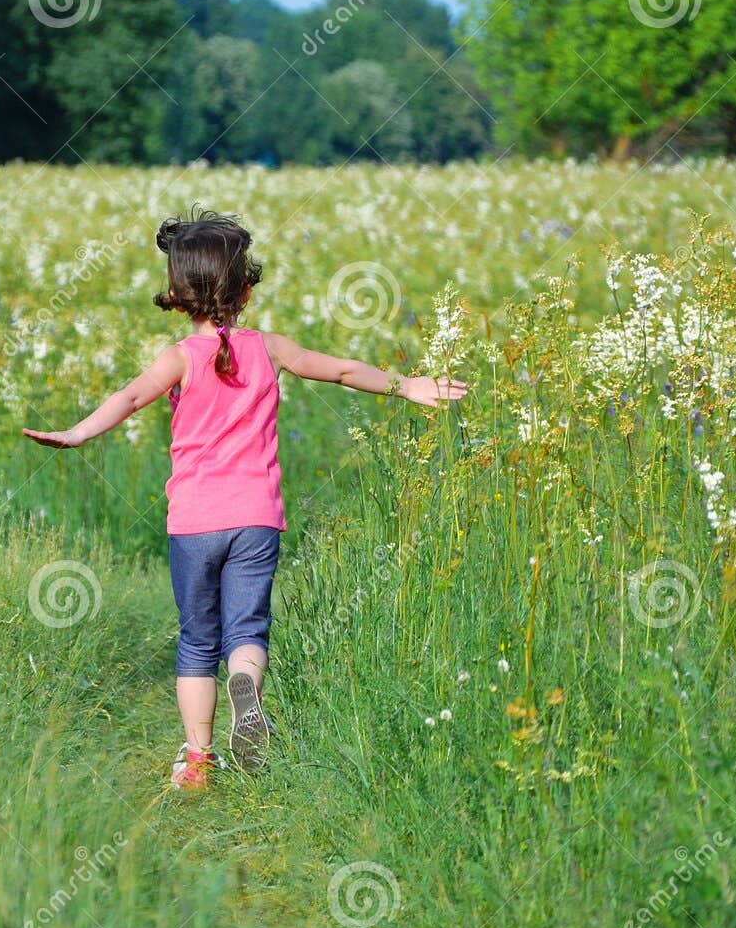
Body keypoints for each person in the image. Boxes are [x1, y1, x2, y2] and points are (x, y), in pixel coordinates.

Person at [23, 211, 466, 789]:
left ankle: (198, 759)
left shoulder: (179, 356)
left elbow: (130, 397)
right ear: (247, 288)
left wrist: (78, 433)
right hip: (257, 517)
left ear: (179, 297)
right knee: (247, 630)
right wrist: (407, 386)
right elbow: (338, 370)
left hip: (195, 522)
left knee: (195, 637)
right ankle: (247, 690)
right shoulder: (272, 348)